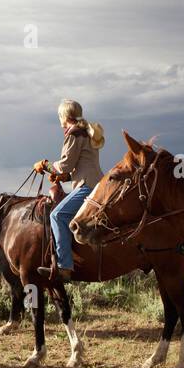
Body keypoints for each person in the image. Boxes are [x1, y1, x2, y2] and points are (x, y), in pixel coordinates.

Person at [34, 100, 105, 281]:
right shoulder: (86, 132)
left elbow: (65, 165)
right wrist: (64, 177)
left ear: (64, 116)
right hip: (95, 183)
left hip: (87, 186)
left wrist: (45, 166)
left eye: (59, 115)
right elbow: (80, 164)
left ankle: (64, 266)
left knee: (57, 215)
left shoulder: (74, 133)